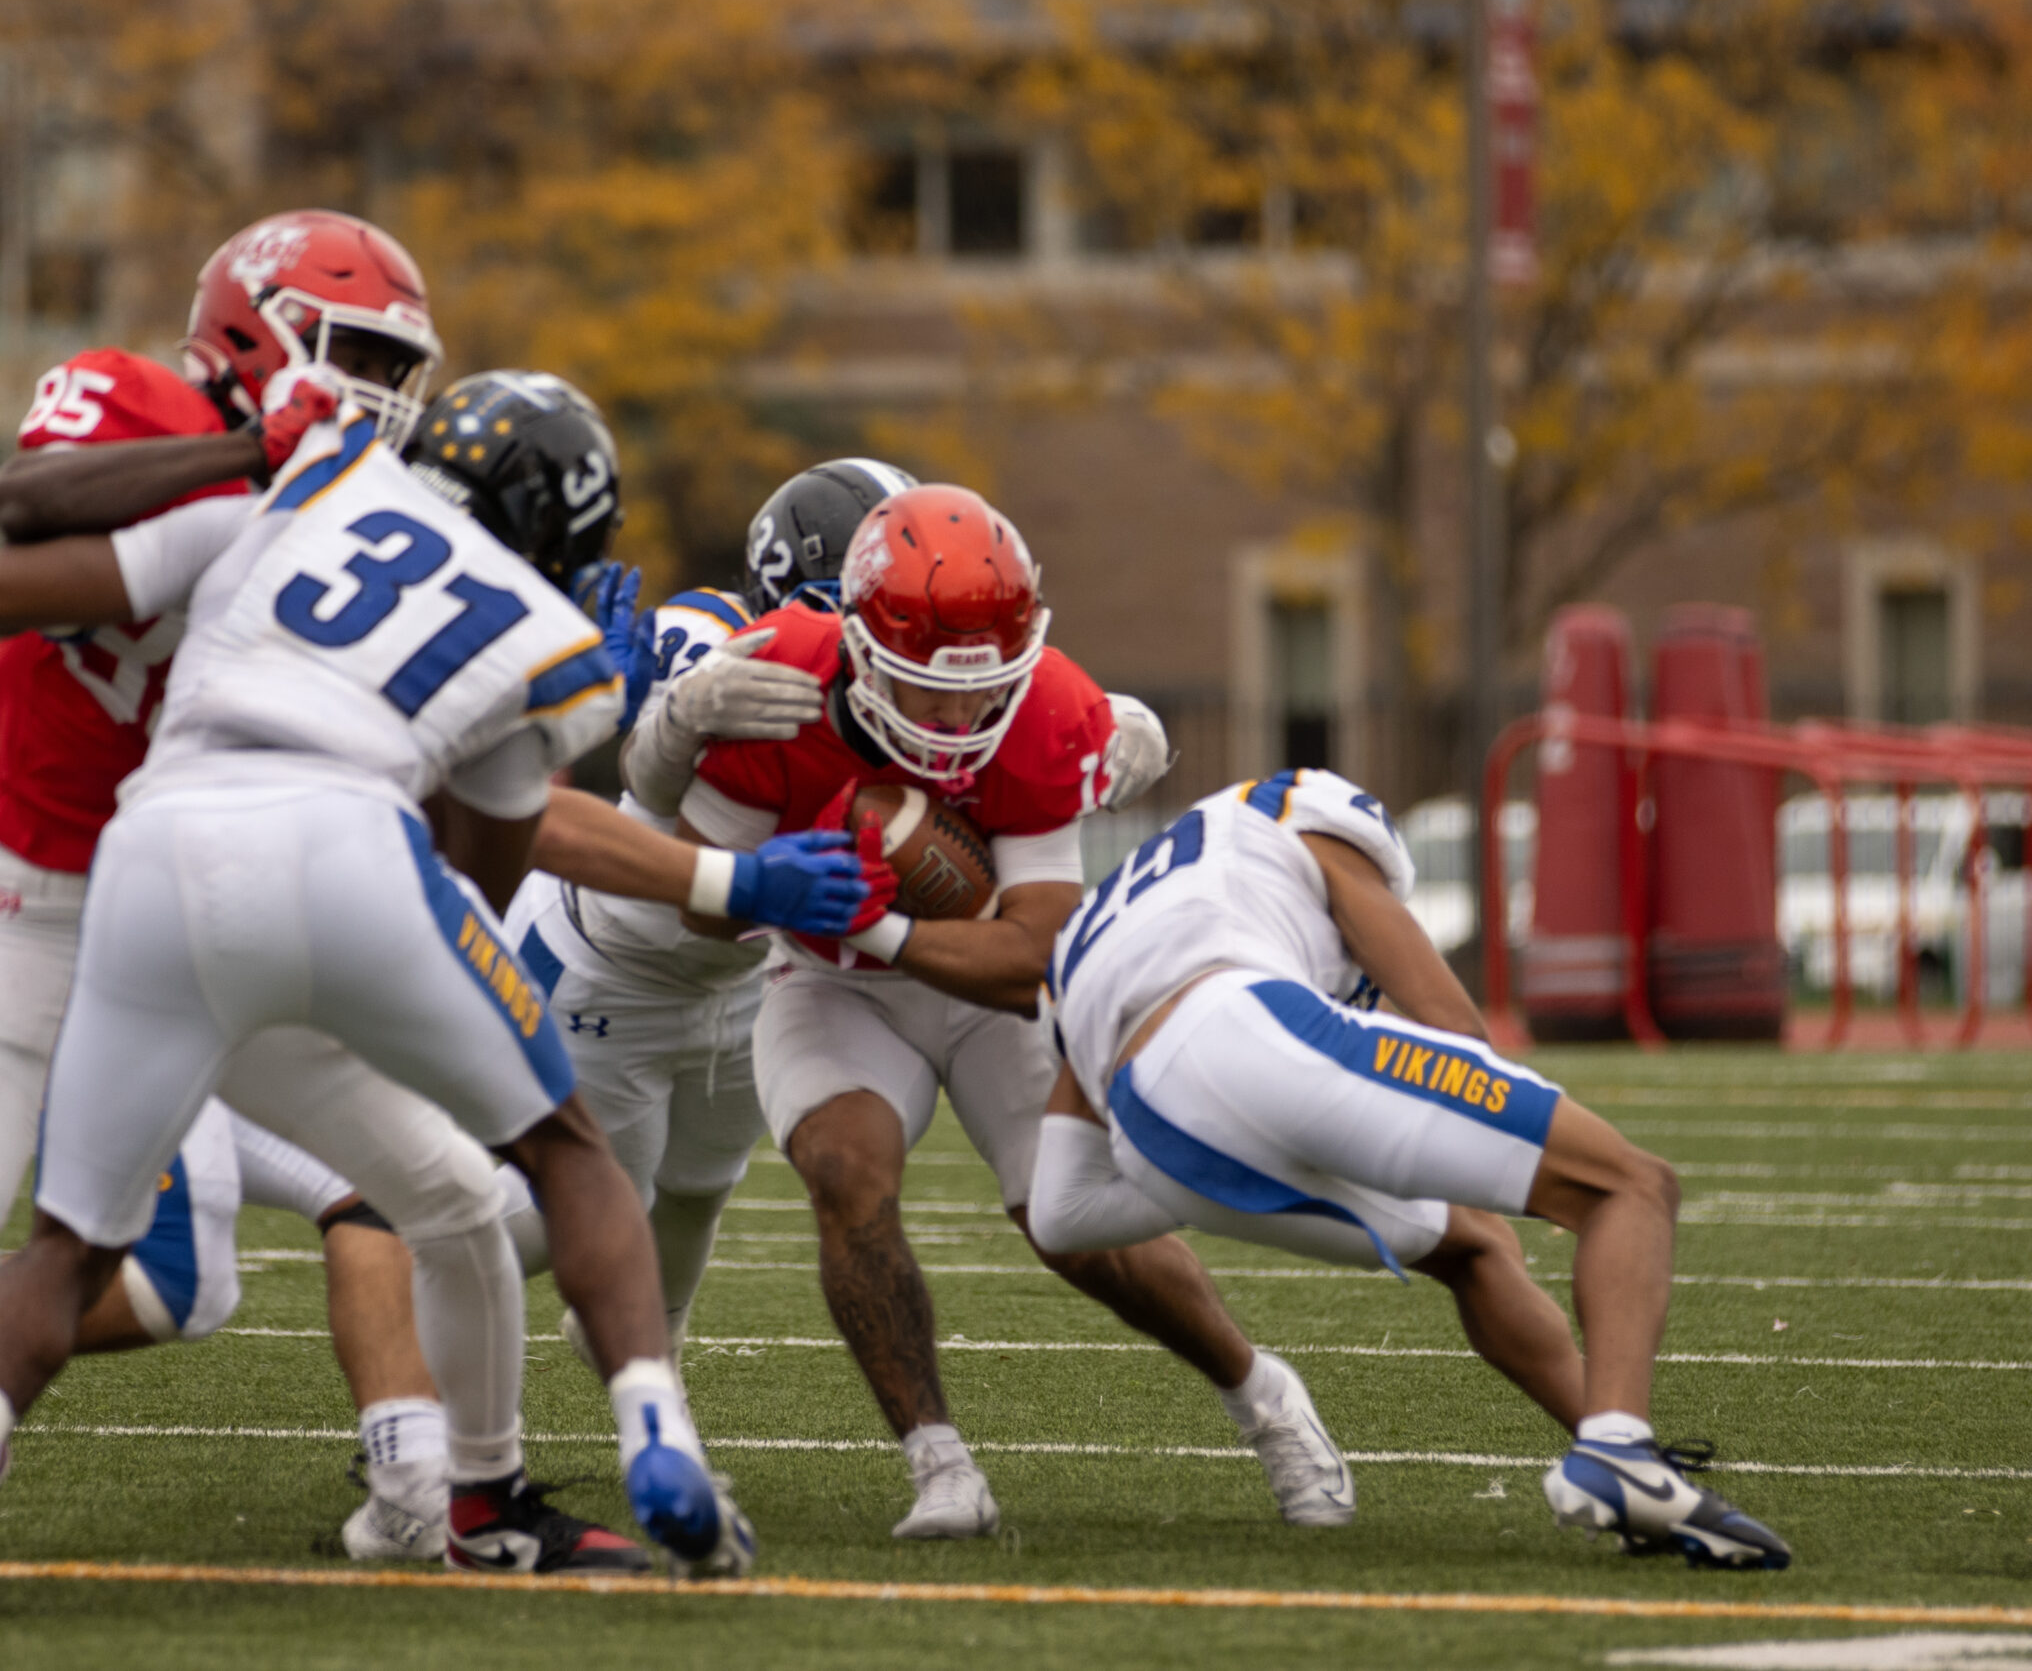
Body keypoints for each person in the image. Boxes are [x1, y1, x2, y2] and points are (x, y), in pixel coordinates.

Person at [0, 367, 772, 1617]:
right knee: (562, 1148)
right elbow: (476, 878)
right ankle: (649, 1438)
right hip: (345, 846)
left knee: (71, 1245)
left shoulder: (295, 480)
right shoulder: (547, 643)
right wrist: (533, 709)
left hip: (150, 850)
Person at [0, 210, 461, 1566]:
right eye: (356, 349)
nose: (378, 390)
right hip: (34, 889)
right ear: (259, 330)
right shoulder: (135, 400)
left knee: (236, 1256)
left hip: (191, 919)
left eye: (395, 364)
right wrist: (252, 456)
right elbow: (18, 512)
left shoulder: (357, 516)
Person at [670, 483, 1350, 1540]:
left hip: (980, 977)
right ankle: (939, 1466)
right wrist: (761, 887)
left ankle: (1263, 1395)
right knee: (845, 1173)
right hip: (827, 980)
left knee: (1067, 1222)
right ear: (854, 647)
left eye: (982, 691)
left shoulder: (1042, 709)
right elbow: (701, 907)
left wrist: (883, 927)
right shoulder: (773, 682)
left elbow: (1033, 952)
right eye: (925, 690)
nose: (953, 719)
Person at [1030, 767, 1791, 1570]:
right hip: (1242, 1035)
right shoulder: (1300, 821)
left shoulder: (1101, 931)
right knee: (1629, 1185)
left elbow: (1061, 1210)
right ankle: (1619, 1449)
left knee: (1475, 1245)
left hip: (1156, 1143)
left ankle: (1630, 1466)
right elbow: (1450, 1022)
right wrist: (1492, 1137)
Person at [510, 457, 1176, 1361]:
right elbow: (650, 764)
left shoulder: (908, 683)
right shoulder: (729, 641)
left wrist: (1128, 724)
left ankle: (646, 1392)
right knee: (570, 1212)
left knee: (699, 1190)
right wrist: (674, 717)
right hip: (614, 957)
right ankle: (401, 1296)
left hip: (749, 968)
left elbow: (1031, 695)